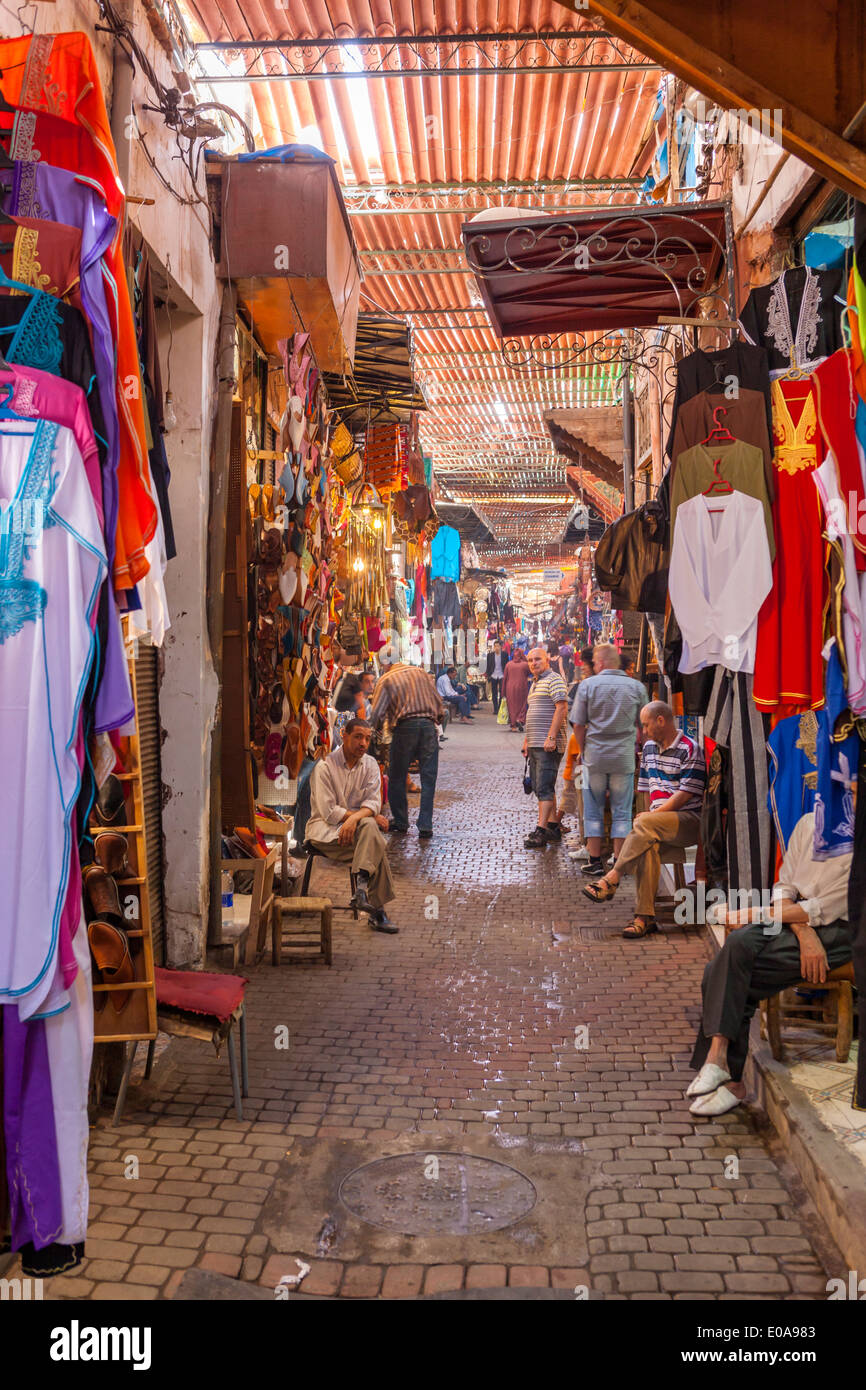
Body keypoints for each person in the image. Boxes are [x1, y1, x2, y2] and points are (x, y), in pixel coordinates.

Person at [686, 811, 853, 1116]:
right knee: (735, 957)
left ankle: (722, 1065)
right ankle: (723, 1069)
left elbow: (825, 908)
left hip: (839, 930)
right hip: (794, 918)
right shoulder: (808, 821)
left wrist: (754, 914)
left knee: (721, 969)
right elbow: (785, 885)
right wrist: (802, 931)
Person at [581, 700, 706, 940]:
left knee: (643, 824)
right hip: (656, 824)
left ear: (661, 721)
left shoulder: (691, 749)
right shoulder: (648, 749)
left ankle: (613, 877)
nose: (644, 732)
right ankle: (643, 918)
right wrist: (650, 817)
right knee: (647, 844)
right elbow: (647, 791)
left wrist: (651, 817)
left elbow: (685, 796)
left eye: (647, 726)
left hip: (687, 821)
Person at [305, 718, 398, 933]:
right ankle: (374, 908)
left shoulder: (371, 765)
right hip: (325, 833)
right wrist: (361, 817)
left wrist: (354, 820)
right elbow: (328, 812)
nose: (363, 743)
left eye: (367, 738)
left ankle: (364, 894)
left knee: (369, 831)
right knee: (374, 842)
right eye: (358, 737)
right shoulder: (325, 767)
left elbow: (374, 803)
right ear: (343, 735)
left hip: (356, 833)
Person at [571, 643, 648, 877]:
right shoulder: (636, 687)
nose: (593, 665)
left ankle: (594, 861)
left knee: (592, 808)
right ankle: (618, 861)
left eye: (594, 662)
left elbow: (578, 724)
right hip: (623, 757)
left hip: (594, 757)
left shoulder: (587, 686)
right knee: (622, 811)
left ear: (601, 662)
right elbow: (644, 724)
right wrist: (640, 746)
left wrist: (583, 753)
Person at [370, 660, 444, 839]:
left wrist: (375, 732)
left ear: (386, 665)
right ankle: (425, 825)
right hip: (428, 726)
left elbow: (377, 714)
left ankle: (401, 821)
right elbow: (439, 705)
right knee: (428, 778)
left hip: (405, 728)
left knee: (397, 776)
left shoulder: (387, 679)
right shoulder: (421, 673)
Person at [522, 646, 569, 848]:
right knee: (543, 786)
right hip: (535, 743)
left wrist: (551, 737)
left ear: (547, 659)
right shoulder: (535, 683)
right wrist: (526, 741)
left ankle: (540, 831)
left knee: (543, 788)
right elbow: (533, 712)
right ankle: (552, 827)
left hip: (548, 744)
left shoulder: (554, 679)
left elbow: (562, 707)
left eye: (538, 659)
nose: (534, 663)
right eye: (531, 660)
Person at [501, 646, 530, 731]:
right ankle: (520, 719)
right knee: (522, 705)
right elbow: (530, 673)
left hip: (509, 687)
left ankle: (513, 725)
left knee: (512, 706)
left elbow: (505, 678)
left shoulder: (508, 664)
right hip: (522, 686)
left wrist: (503, 692)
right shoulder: (525, 665)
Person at [486, 640, 508, 714]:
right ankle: (495, 709)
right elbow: (488, 666)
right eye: (495, 646)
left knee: (502, 692)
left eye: (498, 646)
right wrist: (488, 676)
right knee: (494, 693)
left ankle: (499, 708)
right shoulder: (490, 655)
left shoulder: (504, 654)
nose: (496, 648)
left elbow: (507, 665)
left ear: (501, 647)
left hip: (502, 675)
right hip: (493, 675)